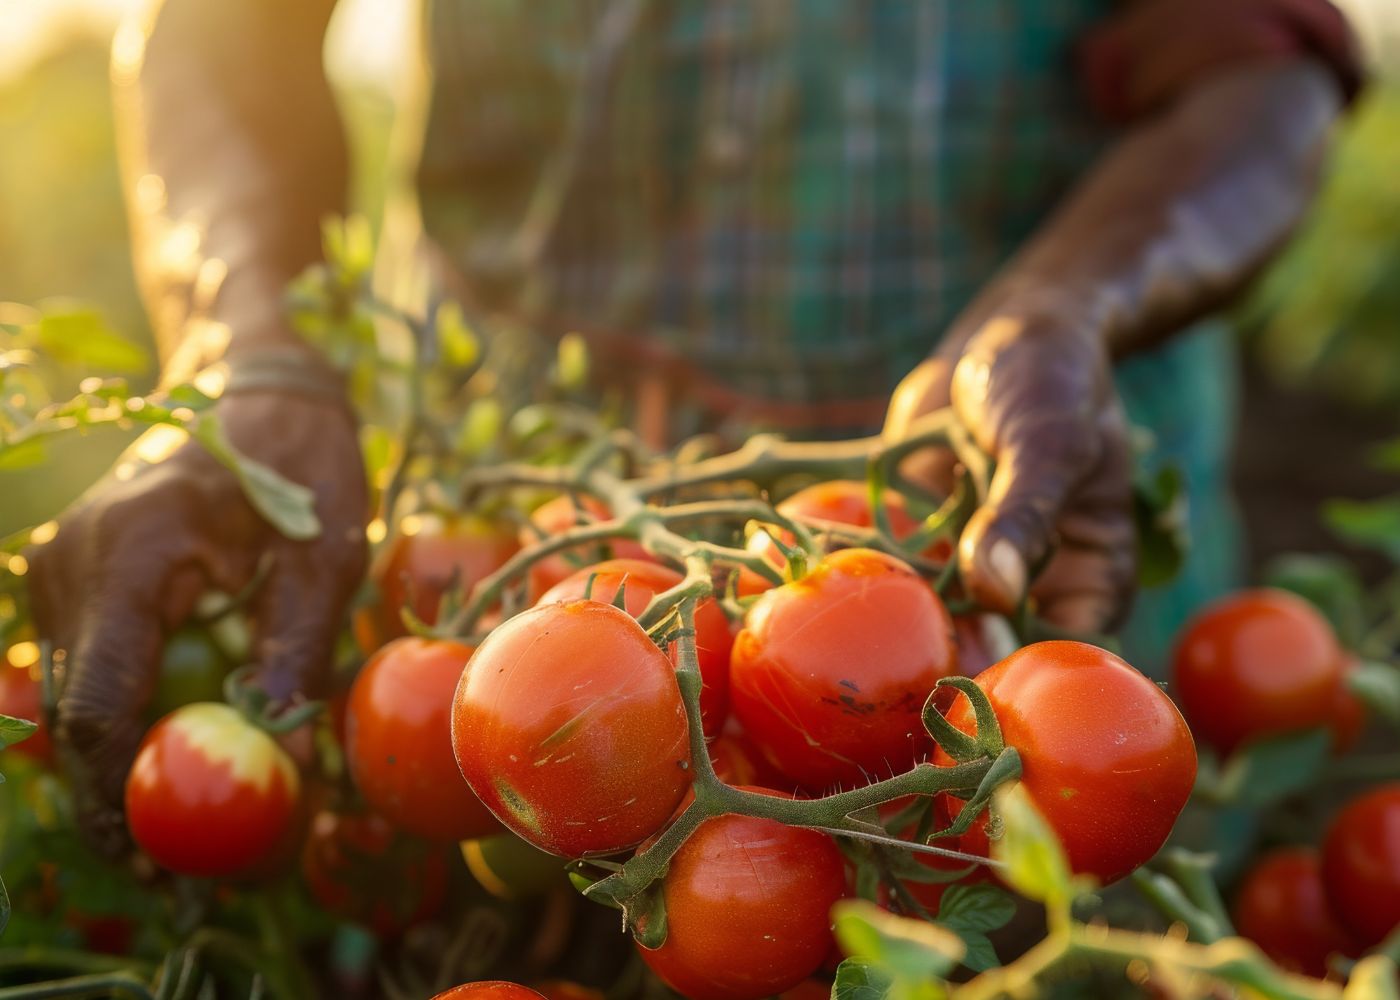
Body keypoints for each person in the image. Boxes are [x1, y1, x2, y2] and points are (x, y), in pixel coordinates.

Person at [27, 0, 1360, 848]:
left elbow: (1264, 63)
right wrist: (253, 352)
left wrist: (1059, 309)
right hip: (504, 552)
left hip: (1031, 521)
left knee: (1070, 877)